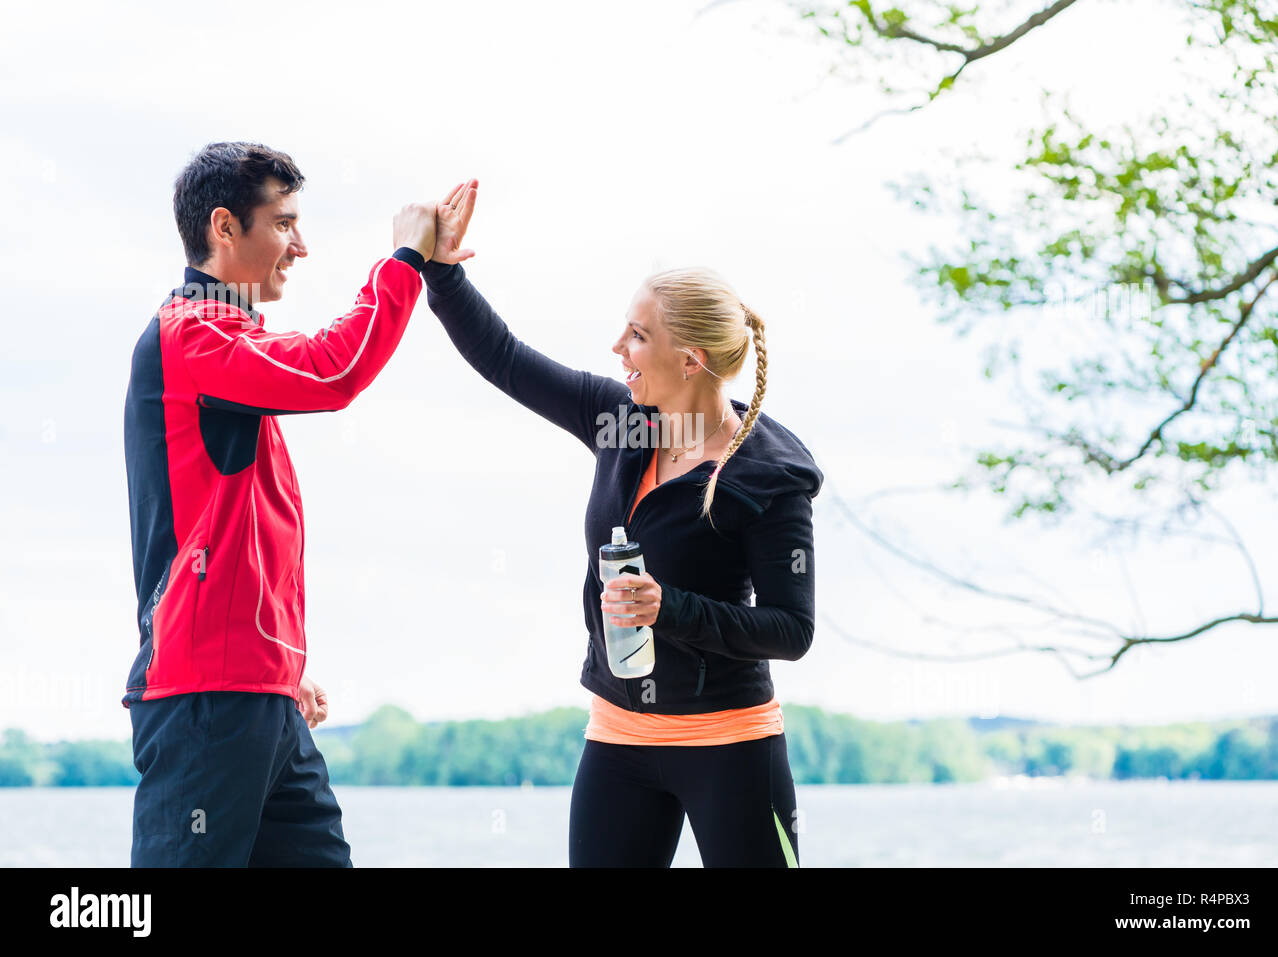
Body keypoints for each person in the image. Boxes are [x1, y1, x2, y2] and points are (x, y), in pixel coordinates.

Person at [421, 181, 822, 867]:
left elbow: (792, 630)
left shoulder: (769, 472)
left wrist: (670, 608)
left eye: (637, 335)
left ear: (689, 360)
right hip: (617, 737)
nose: (617, 347)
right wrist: (441, 269)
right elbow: (507, 359)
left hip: (730, 743)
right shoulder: (619, 421)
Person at [122, 142, 474, 866]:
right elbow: (334, 369)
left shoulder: (226, 344)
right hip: (206, 701)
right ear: (225, 227)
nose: (300, 246)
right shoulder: (192, 334)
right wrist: (404, 262)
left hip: (259, 694)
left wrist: (275, 663)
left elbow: (239, 529)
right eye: (283, 224)